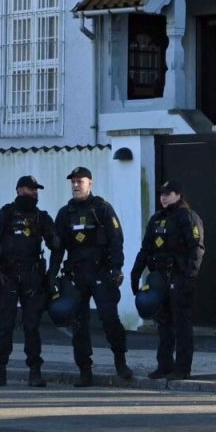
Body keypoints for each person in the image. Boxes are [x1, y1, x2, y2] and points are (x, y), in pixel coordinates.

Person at [50, 165, 131, 386]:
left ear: (90, 183)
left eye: (80, 181)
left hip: (101, 273)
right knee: (78, 324)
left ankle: (120, 361)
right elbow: (58, 248)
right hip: (77, 275)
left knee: (109, 319)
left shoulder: (102, 209)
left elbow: (116, 240)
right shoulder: (65, 213)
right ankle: (84, 369)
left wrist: (117, 268)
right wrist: (51, 274)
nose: (76, 185)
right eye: (73, 182)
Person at [0, 175, 58, 387]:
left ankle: (35, 371)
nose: (34, 193)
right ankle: (0, 370)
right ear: (18, 190)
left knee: (32, 325)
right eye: (29, 189)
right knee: (5, 325)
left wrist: (51, 272)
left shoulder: (41, 217)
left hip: (32, 276)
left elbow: (56, 244)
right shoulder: (3, 215)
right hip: (7, 276)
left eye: (36, 190)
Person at [133, 178, 205, 381]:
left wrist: (190, 276)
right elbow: (146, 248)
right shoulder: (157, 219)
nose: (163, 198)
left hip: (180, 276)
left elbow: (196, 249)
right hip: (160, 278)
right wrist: (136, 273)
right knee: (163, 322)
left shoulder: (187, 217)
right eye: (161, 194)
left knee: (181, 323)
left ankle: (182, 367)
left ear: (179, 195)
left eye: (168, 194)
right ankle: (164, 365)